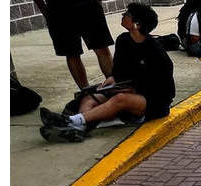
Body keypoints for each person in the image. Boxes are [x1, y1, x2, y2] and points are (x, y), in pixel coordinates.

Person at [39, 3, 175, 143]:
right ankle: (78, 129)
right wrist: (113, 80)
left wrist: (136, 89)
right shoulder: (123, 40)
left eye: (127, 14)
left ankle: (69, 121)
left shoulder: (155, 51)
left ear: (137, 24)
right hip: (129, 90)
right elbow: (119, 72)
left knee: (120, 98)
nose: (123, 15)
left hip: (154, 102)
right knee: (89, 98)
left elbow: (166, 90)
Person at [33, 0, 115, 90]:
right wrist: (46, 11)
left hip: (87, 5)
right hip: (58, 9)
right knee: (72, 53)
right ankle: (86, 91)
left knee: (101, 46)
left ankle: (113, 87)